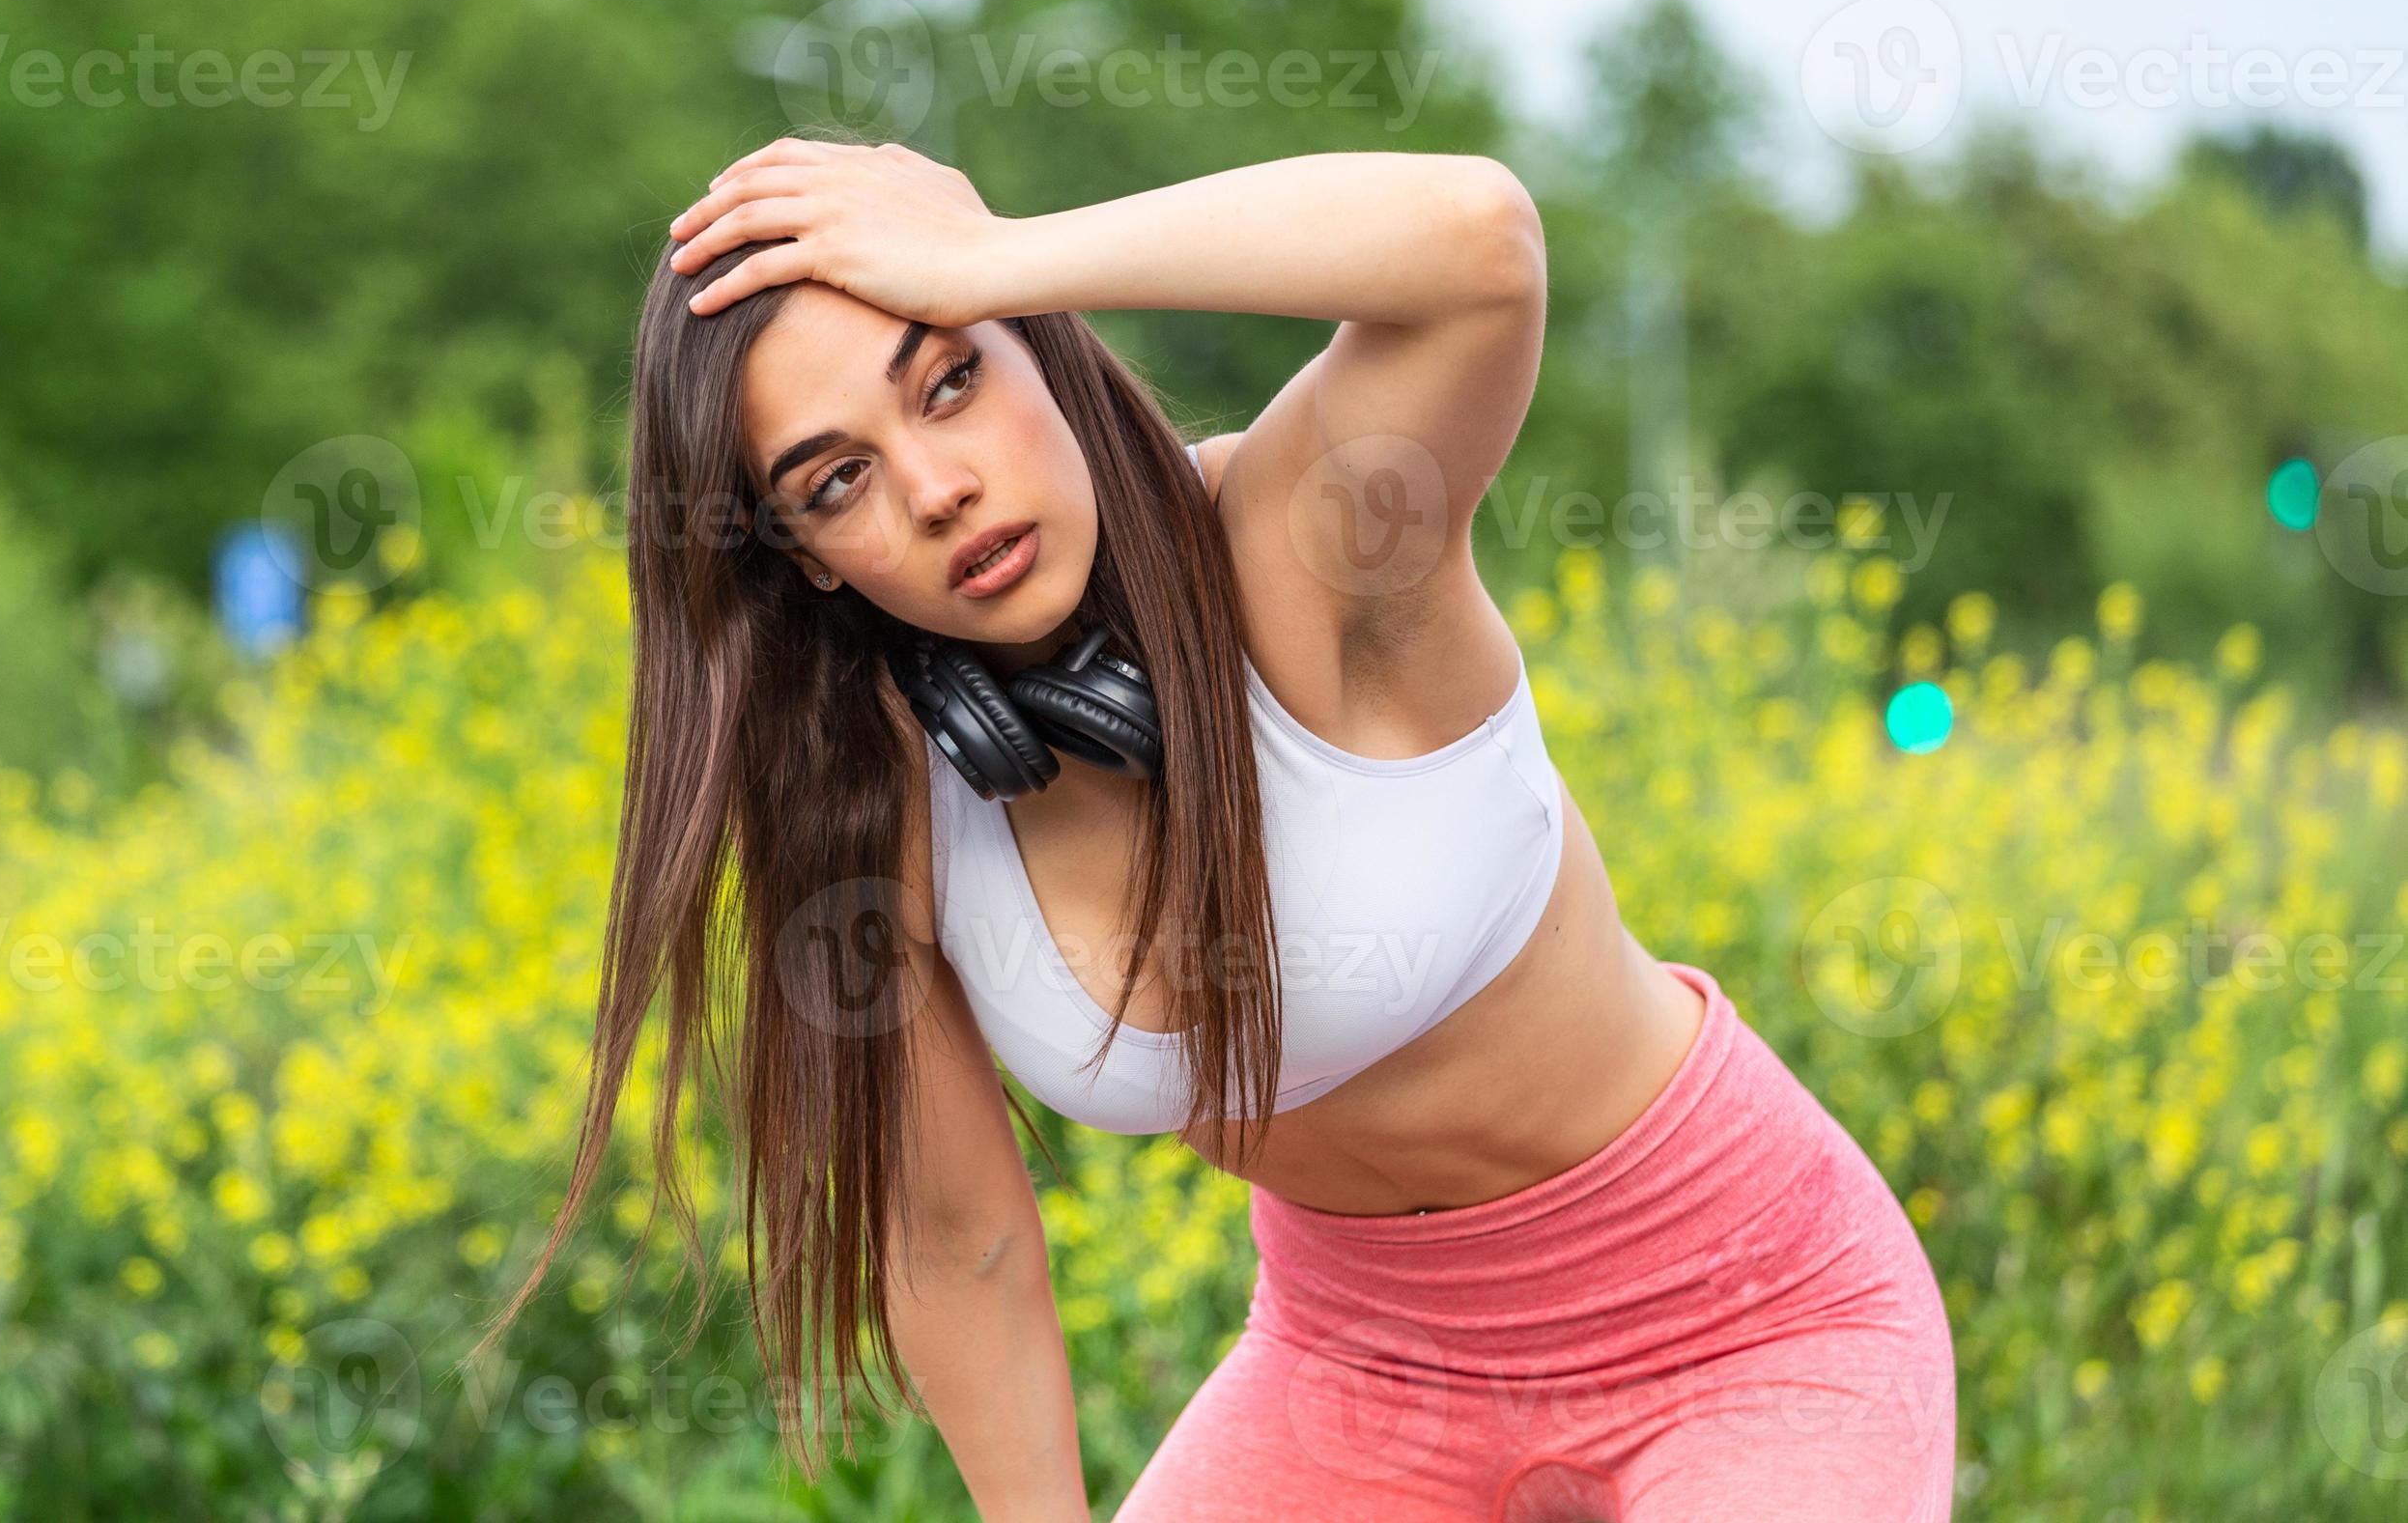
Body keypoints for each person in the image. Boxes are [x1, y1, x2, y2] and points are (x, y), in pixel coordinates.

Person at [481, 131, 1957, 1521]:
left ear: (1038, 344)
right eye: (839, 479)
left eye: (949, 381)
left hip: (1746, 1316)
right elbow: (956, 1243)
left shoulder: (1309, 550)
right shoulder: (877, 795)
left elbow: (1479, 244)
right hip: (1355, 1371)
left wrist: (999, 253)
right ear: (797, 558)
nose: (939, 490)